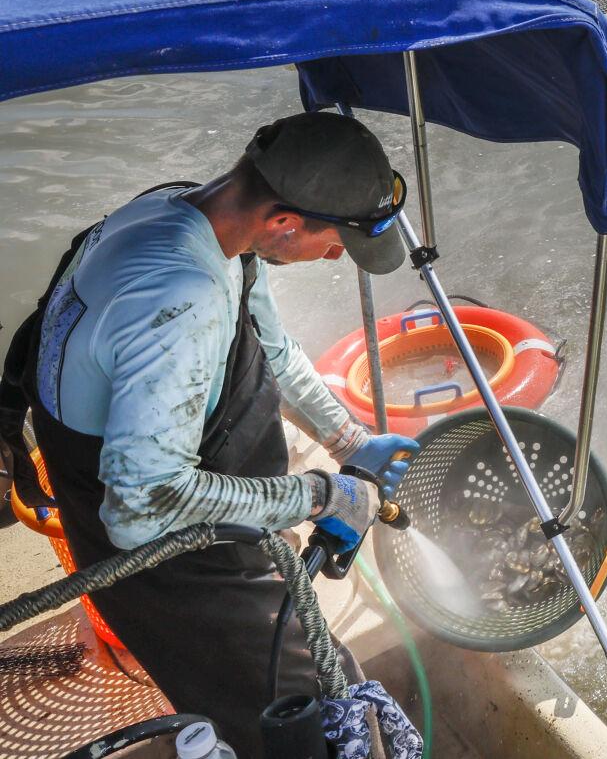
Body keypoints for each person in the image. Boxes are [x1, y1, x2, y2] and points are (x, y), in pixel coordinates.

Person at [0, 111, 419, 758]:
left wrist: (349, 442)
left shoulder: (191, 211)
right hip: (166, 558)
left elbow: (271, 347)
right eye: (337, 241)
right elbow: (142, 508)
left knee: (309, 683)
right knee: (307, 717)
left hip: (203, 507)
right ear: (284, 220)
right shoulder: (179, 297)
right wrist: (320, 495)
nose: (338, 255)